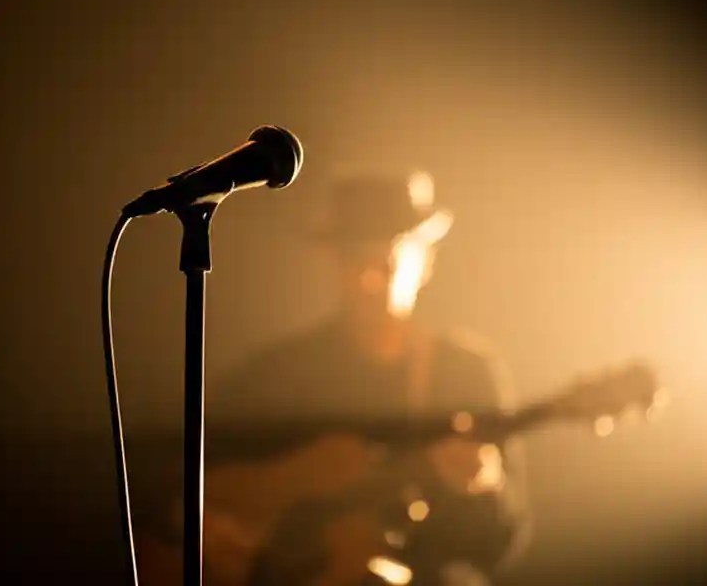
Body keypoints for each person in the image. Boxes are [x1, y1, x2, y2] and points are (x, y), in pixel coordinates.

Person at [137, 170, 532, 586]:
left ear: (426, 261)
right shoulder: (279, 374)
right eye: (353, 260)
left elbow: (500, 544)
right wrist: (291, 479)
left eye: (385, 259)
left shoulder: (467, 373)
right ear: (331, 261)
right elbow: (178, 491)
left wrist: (486, 486)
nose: (367, 279)